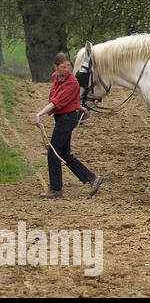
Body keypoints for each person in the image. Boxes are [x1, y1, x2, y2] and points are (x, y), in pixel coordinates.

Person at [34, 52, 104, 199]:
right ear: (56, 67)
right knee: (64, 154)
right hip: (63, 117)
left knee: (53, 152)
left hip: (67, 119)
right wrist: (78, 106)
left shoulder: (72, 82)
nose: (67, 69)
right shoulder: (55, 77)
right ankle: (92, 178)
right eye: (64, 67)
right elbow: (61, 97)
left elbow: (56, 102)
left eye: (68, 66)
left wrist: (39, 114)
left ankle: (55, 189)